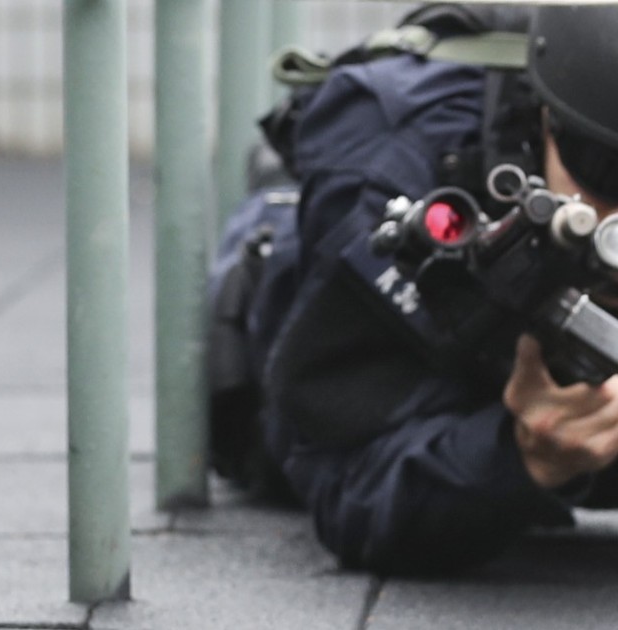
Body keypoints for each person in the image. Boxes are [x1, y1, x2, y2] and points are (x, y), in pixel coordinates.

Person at [232, 3, 618, 574]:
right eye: (607, 170)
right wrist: (518, 457)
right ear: (545, 119)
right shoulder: (394, 165)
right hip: (396, 354)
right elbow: (350, 485)